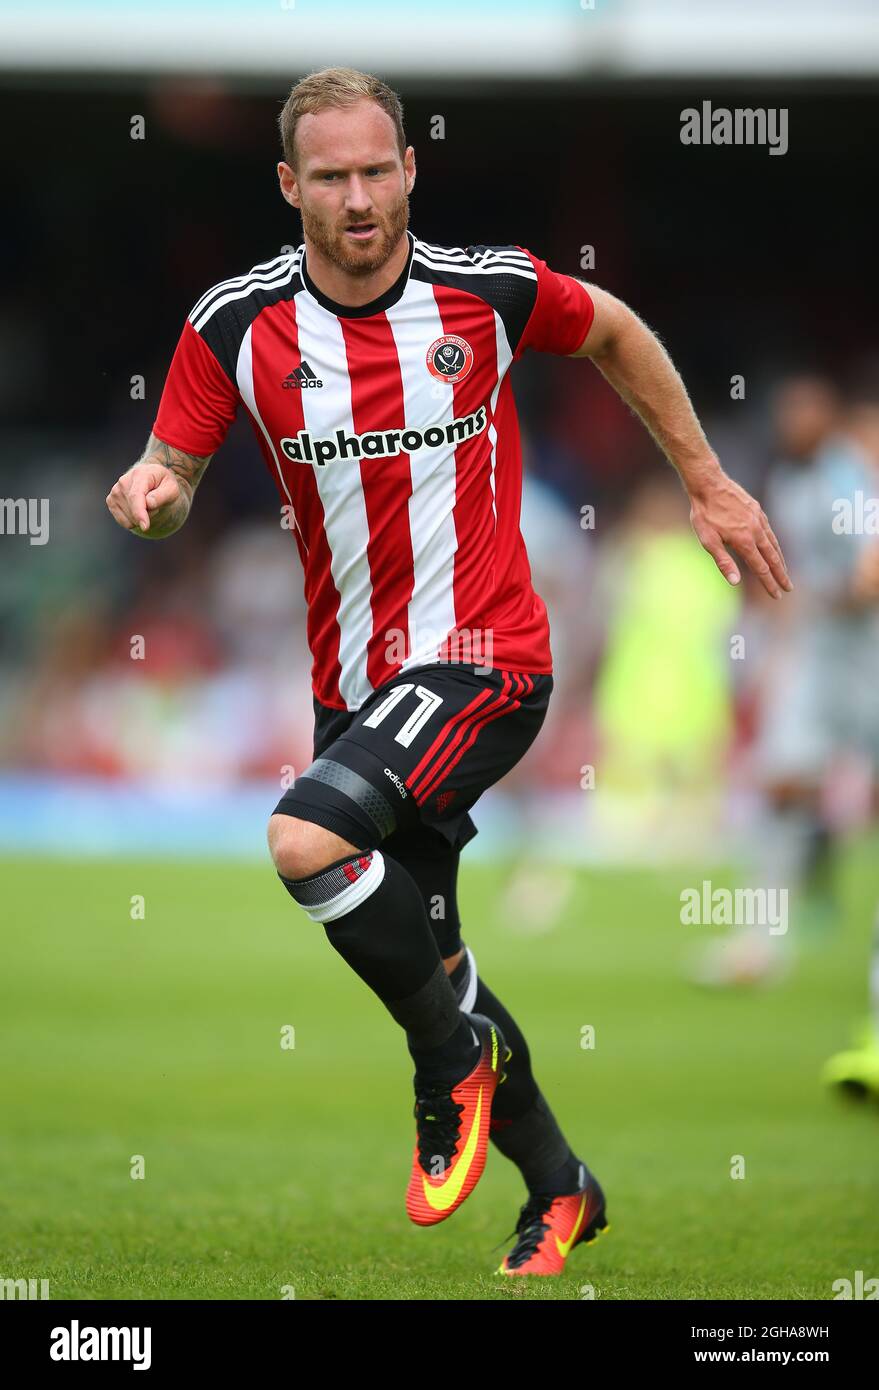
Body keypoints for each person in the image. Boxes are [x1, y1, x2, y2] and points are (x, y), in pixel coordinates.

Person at [105, 66, 790, 1276]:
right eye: (332, 176)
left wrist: (707, 479)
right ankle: (563, 1182)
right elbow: (171, 481)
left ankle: (449, 1067)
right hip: (355, 687)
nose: (360, 197)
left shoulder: (486, 292)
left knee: (303, 843)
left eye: (378, 169)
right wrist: (151, 504)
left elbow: (615, 328)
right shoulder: (235, 324)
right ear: (289, 186)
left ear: (411, 167)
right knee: (436, 961)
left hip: (488, 659)